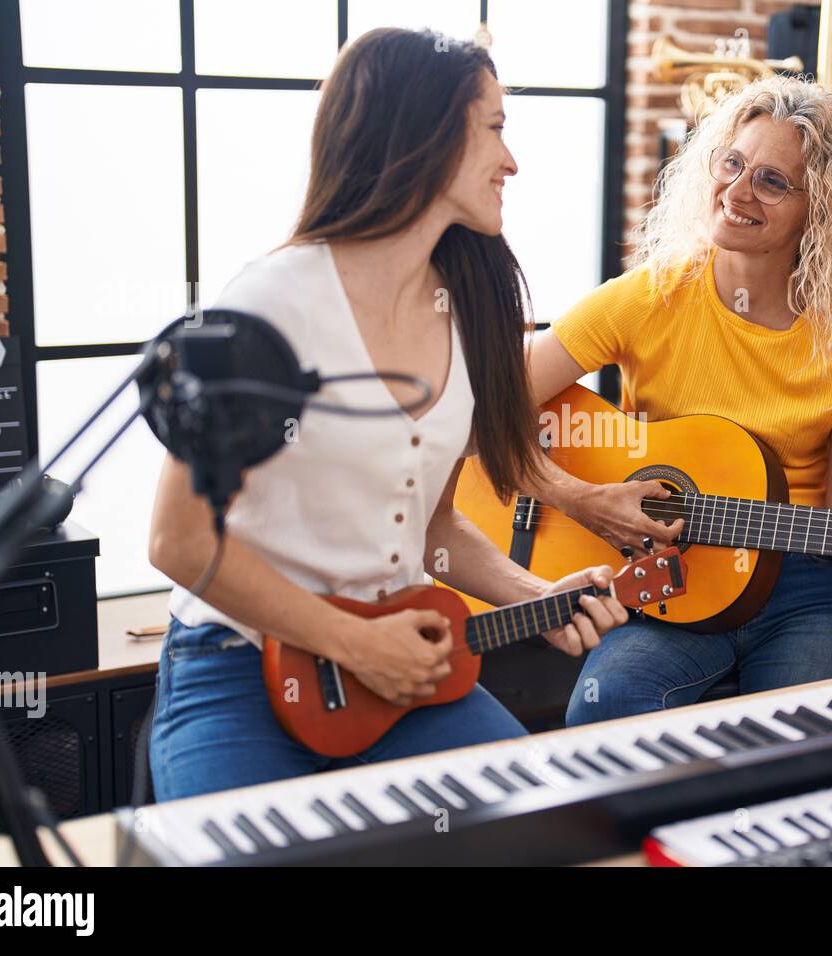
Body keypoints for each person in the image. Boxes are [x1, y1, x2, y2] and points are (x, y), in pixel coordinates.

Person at [147, 29, 626, 801]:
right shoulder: (266, 306)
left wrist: (532, 596)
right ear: (427, 134)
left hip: (397, 671)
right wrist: (353, 643)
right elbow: (178, 539)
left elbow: (430, 530)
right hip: (237, 668)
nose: (513, 162)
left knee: (548, 819)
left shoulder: (470, 310)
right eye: (496, 129)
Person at [522, 76, 832, 726]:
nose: (737, 191)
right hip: (670, 577)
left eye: (772, 181)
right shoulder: (648, 299)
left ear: (821, 209)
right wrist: (577, 497)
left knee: (813, 747)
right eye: (732, 163)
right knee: (601, 719)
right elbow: (492, 405)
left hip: (803, 587)